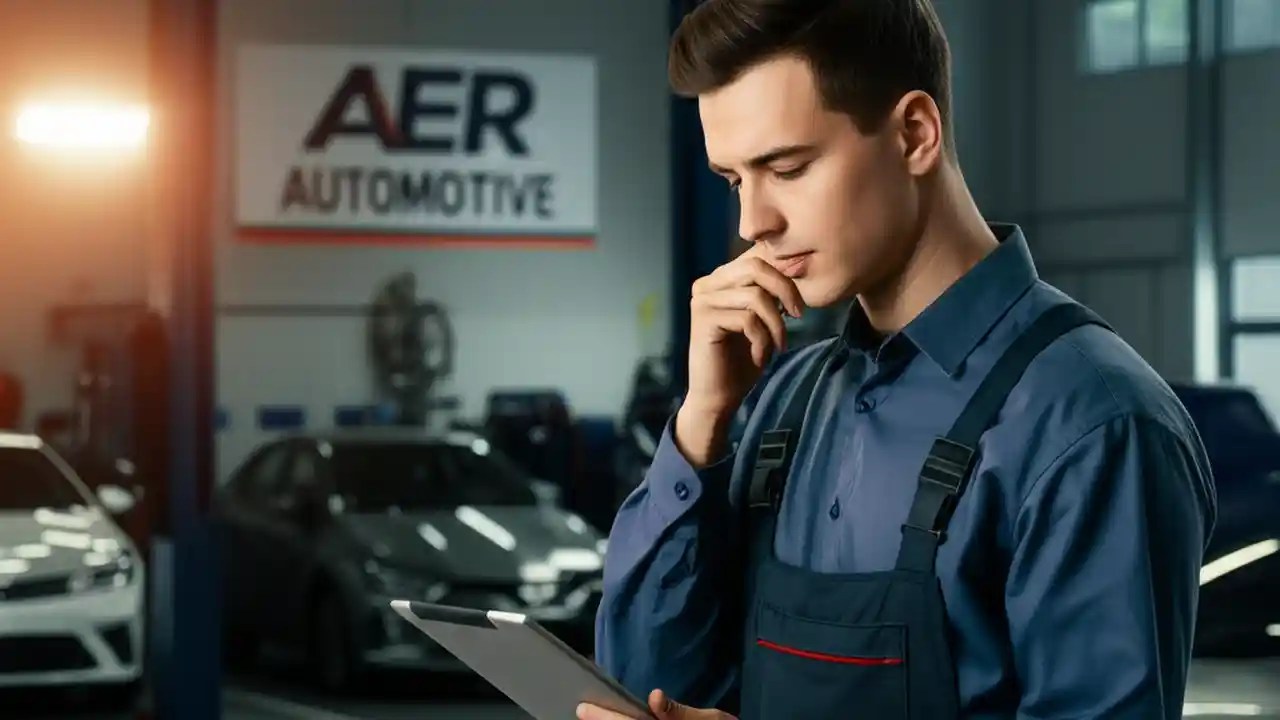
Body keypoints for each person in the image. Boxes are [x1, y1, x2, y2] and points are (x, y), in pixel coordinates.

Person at [578, 0, 1218, 719]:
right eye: (734, 181)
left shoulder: (1094, 424)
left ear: (915, 134)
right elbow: (644, 686)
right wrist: (701, 423)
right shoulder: (780, 403)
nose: (753, 222)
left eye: (787, 167)